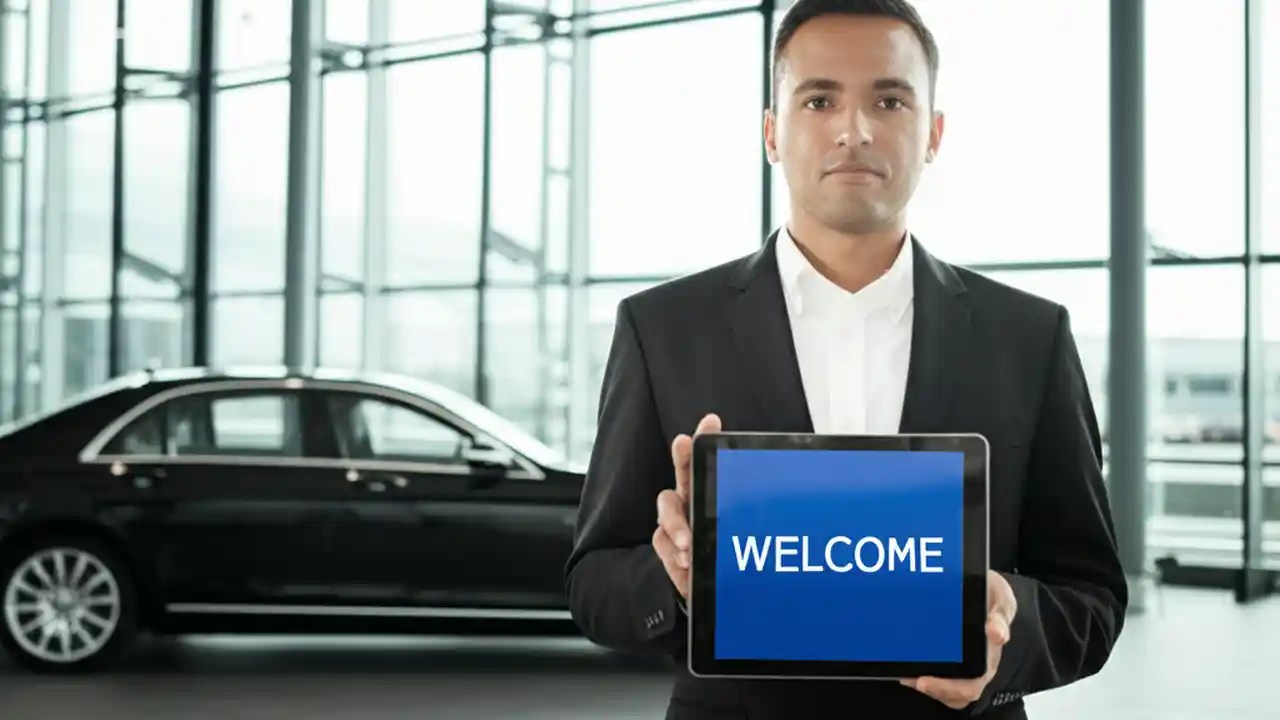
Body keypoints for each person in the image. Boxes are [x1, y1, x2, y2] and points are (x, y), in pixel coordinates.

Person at [564, 0, 1128, 717]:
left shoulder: (1029, 337)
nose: (853, 130)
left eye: (889, 100)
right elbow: (594, 583)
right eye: (819, 98)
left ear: (934, 134)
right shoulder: (665, 328)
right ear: (772, 131)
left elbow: (1093, 594)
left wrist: (1006, 631)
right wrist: (671, 577)